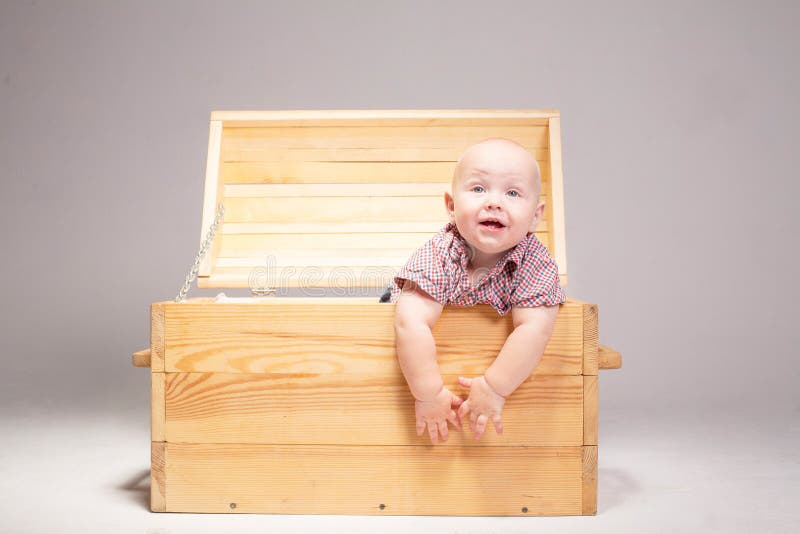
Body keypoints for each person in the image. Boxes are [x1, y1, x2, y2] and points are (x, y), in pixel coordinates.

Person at [388, 137, 566, 444]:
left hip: (498, 388)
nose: (493, 202)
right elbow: (410, 323)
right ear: (451, 205)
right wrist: (428, 393)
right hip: (405, 329)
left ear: (536, 216)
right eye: (478, 189)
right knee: (398, 308)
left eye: (512, 192)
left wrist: (496, 386)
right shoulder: (440, 253)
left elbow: (534, 330)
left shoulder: (535, 262)